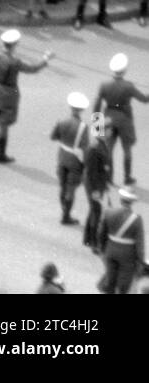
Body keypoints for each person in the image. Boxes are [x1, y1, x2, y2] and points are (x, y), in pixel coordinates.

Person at [0, 28, 52, 164]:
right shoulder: (15, 62)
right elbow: (33, 68)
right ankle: (1, 154)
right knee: (4, 125)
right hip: (9, 94)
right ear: (14, 45)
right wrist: (45, 58)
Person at [92, 52, 149, 185]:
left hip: (109, 119)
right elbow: (144, 99)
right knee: (127, 149)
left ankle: (108, 177)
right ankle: (127, 177)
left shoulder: (104, 85)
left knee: (109, 148)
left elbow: (97, 106)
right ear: (124, 70)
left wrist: (97, 128)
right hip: (125, 120)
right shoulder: (128, 86)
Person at [51, 92, 90, 225]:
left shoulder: (61, 122)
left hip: (62, 156)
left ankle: (64, 210)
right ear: (82, 110)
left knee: (62, 186)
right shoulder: (83, 127)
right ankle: (66, 216)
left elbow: (53, 137)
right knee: (71, 188)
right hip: (75, 160)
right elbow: (85, 147)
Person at [97, 188, 144, 294]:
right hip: (128, 255)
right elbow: (139, 244)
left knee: (109, 282)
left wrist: (102, 249)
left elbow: (101, 233)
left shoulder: (108, 212)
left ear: (121, 199)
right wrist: (140, 261)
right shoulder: (136, 219)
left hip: (110, 250)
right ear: (132, 202)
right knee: (123, 285)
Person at [83, 125, 115, 252]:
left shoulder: (102, 144)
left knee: (93, 210)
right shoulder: (95, 147)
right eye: (109, 129)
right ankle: (93, 242)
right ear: (104, 130)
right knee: (96, 211)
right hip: (93, 185)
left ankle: (87, 238)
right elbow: (92, 172)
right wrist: (96, 190)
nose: (111, 132)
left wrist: (105, 183)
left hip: (98, 183)